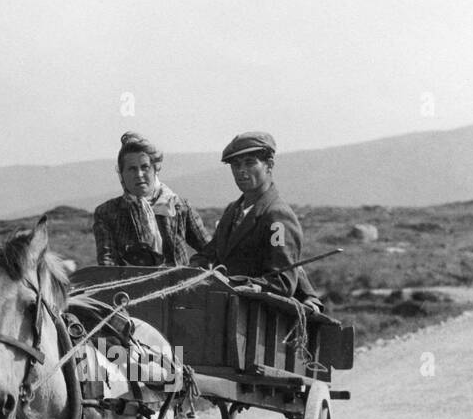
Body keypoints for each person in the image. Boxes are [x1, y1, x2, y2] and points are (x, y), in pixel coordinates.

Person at [191, 131, 322, 308]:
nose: (241, 171)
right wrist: (191, 269)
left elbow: (282, 282)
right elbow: (210, 253)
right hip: (224, 308)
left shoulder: (277, 216)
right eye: (235, 165)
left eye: (250, 163)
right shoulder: (233, 211)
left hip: (256, 318)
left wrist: (238, 283)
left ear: (269, 165)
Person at [92, 133, 210, 267]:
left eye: (144, 167)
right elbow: (108, 263)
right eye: (132, 169)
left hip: (181, 284)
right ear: (121, 174)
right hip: (130, 285)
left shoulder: (178, 206)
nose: (139, 175)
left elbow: (209, 250)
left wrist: (191, 269)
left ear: (155, 170)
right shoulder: (108, 213)